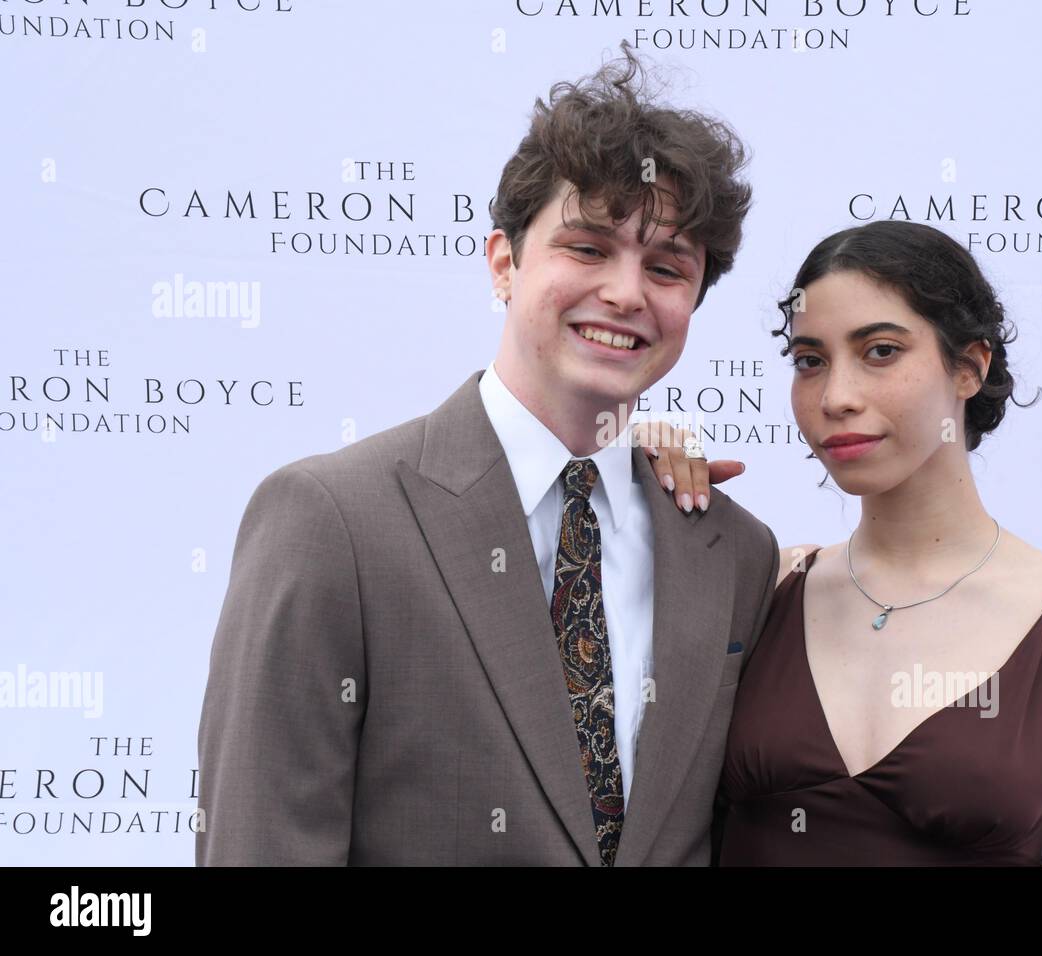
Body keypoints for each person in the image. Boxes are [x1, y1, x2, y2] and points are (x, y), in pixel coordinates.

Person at [195, 43, 781, 866]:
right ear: (504, 262)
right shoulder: (333, 519)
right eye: (587, 248)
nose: (625, 292)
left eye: (666, 266)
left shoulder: (733, 551)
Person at [640, 220, 1042, 865]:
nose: (836, 397)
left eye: (881, 351)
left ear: (970, 366)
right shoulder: (761, 583)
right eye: (810, 362)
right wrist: (613, 482)